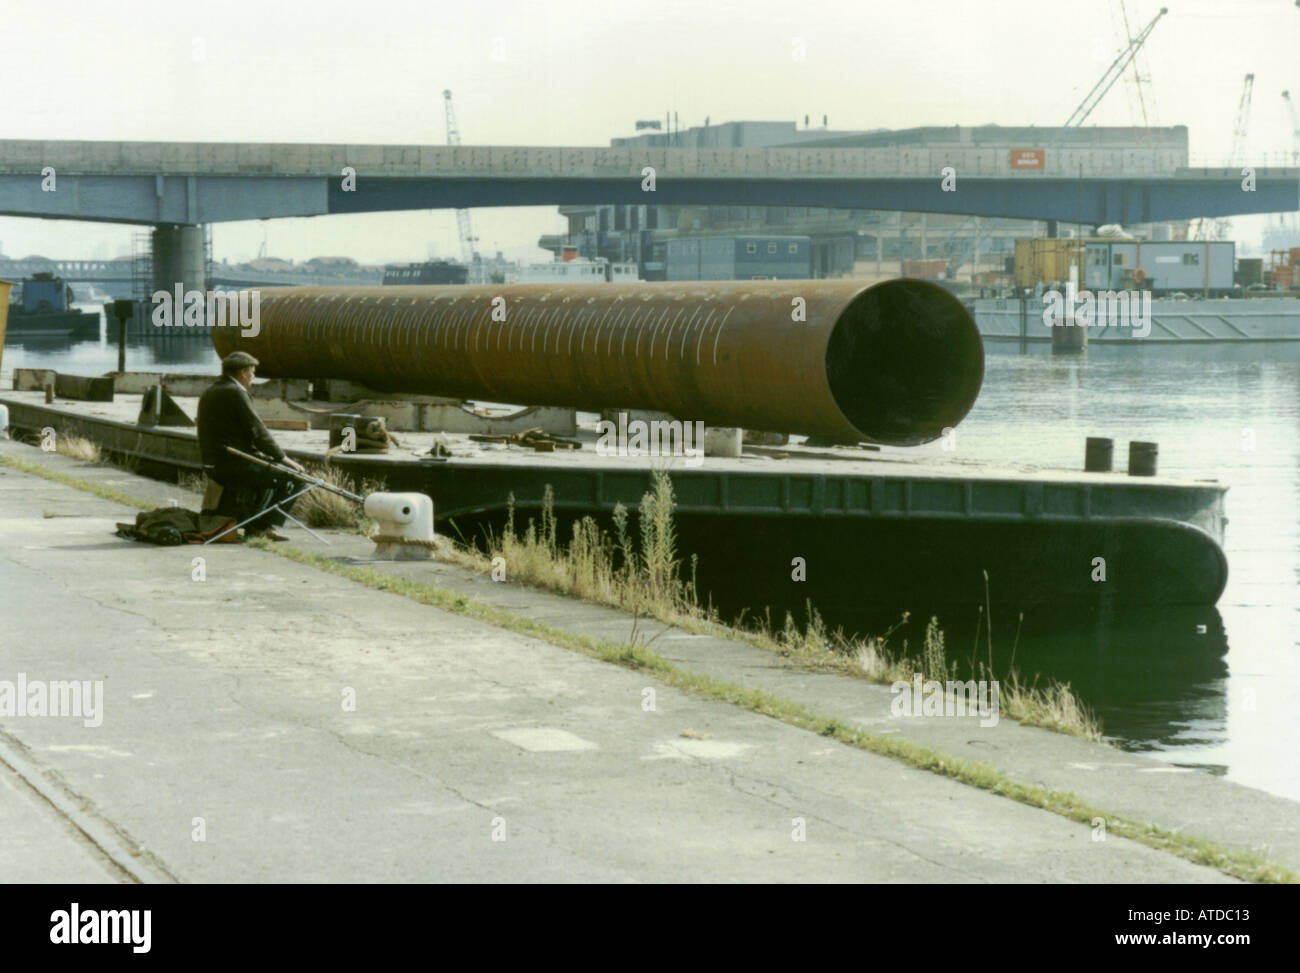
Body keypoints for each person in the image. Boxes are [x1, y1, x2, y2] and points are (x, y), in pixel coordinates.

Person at [197, 351, 306, 541]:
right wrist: (284, 458)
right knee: (296, 479)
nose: (253, 377)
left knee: (268, 474)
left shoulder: (212, 390)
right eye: (252, 373)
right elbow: (257, 431)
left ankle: (254, 525)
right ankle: (262, 527)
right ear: (243, 372)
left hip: (215, 462)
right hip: (234, 463)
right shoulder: (235, 393)